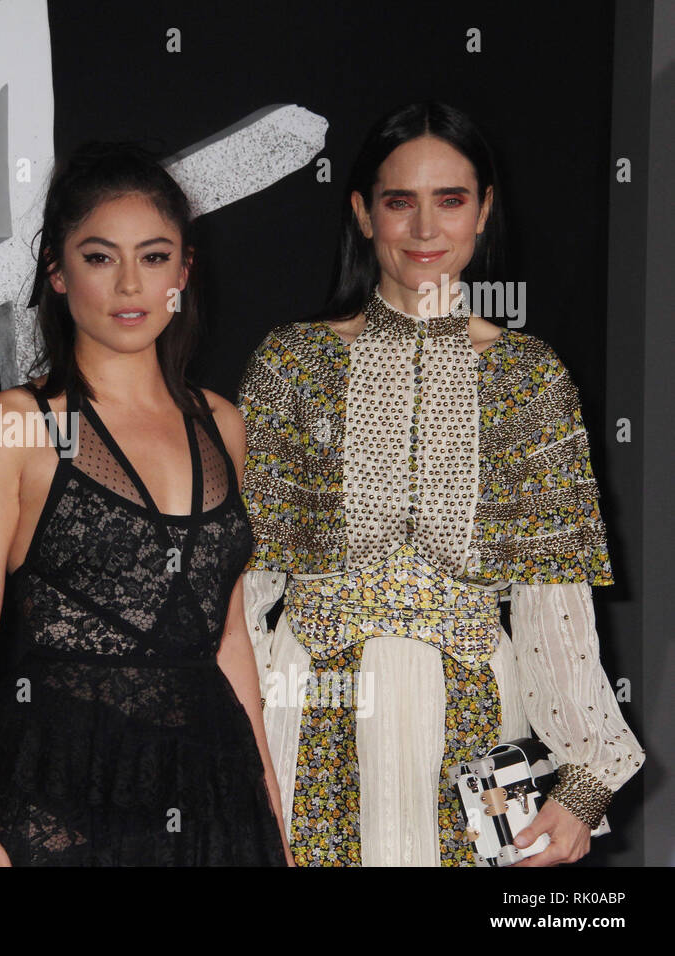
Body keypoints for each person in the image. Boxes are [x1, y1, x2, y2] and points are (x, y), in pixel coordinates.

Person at [237, 101, 644, 866]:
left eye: (450, 200)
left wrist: (583, 783)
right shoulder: (291, 365)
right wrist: (241, 766)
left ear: (484, 212)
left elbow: (551, 600)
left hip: (476, 734)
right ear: (363, 213)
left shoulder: (529, 379)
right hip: (309, 711)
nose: (425, 229)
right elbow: (247, 589)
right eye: (400, 201)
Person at [0, 142, 290, 866]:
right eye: (100, 258)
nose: (130, 284)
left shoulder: (223, 425)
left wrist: (274, 824)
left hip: (213, 793)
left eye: (154, 257)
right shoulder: (12, 426)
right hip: (61, 790)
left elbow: (229, 642)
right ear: (57, 273)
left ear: (184, 271)